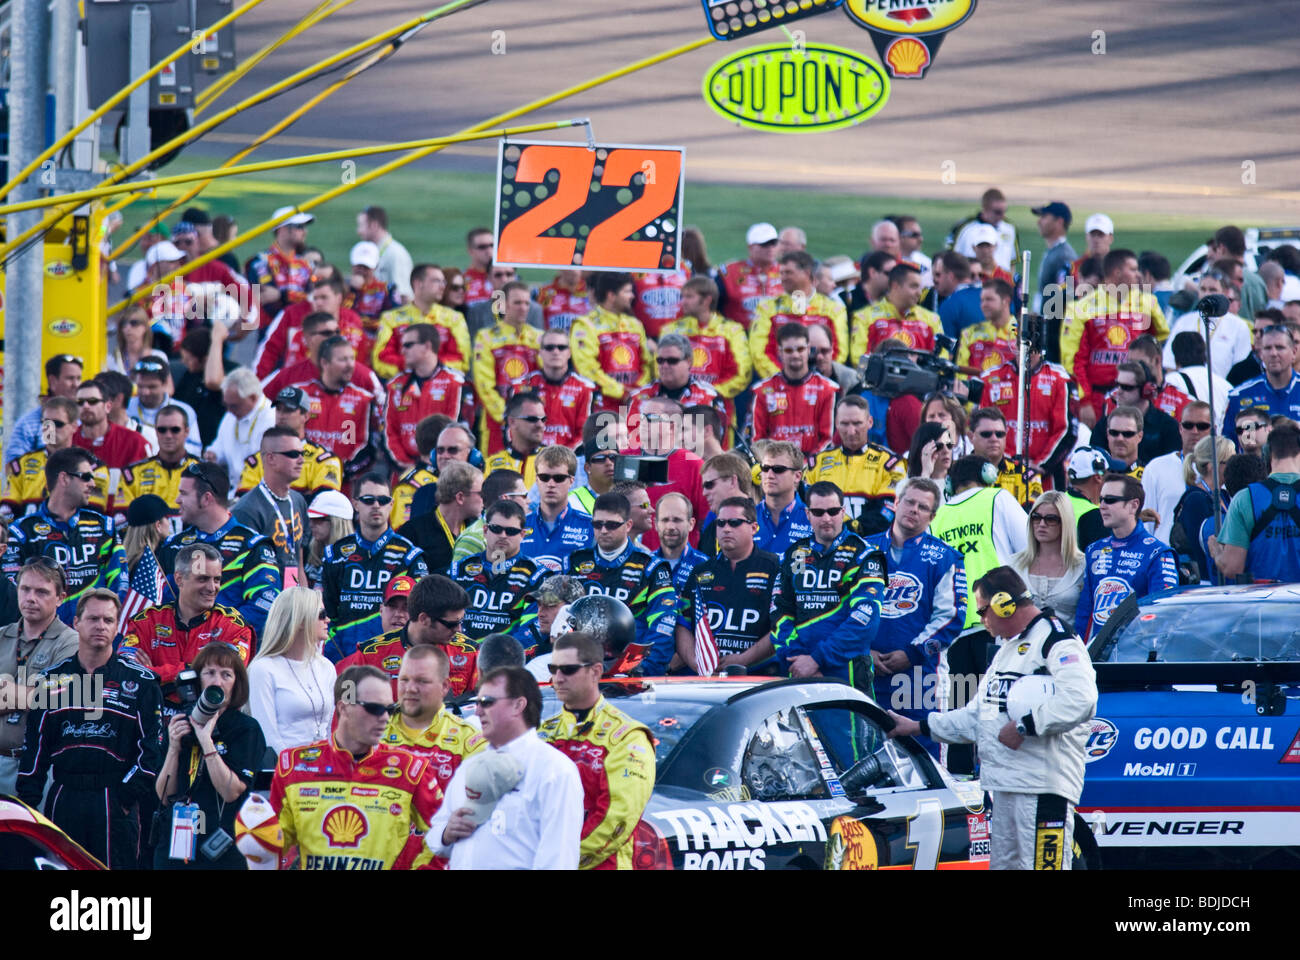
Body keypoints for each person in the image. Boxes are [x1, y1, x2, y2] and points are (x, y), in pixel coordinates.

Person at [887, 567, 1097, 870]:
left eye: (983, 611)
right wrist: (918, 726)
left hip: (1041, 791)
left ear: (1004, 604)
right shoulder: (1008, 648)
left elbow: (1082, 699)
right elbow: (978, 717)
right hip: (1005, 787)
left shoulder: (1057, 640)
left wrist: (1026, 726)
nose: (982, 620)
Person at [17, 590, 162, 869]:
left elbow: (152, 751)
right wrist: (28, 803)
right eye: (93, 618)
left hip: (113, 798)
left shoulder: (141, 682)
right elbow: (35, 750)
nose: (101, 626)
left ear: (118, 627)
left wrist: (126, 795)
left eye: (109, 620)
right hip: (64, 796)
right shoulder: (50, 681)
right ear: (76, 623)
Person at [265, 664, 442, 870]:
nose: (385, 718)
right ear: (344, 707)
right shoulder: (294, 765)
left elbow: (443, 837)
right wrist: (256, 834)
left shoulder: (411, 769)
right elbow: (275, 844)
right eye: (374, 708)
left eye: (389, 709)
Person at [426, 666, 583, 869]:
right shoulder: (470, 765)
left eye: (487, 702)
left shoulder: (554, 770)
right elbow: (435, 838)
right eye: (477, 702)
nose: (477, 711)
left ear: (518, 705)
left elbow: (559, 858)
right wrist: (446, 833)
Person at [862, 478, 966, 750]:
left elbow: (952, 618)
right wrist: (863, 651)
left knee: (925, 761)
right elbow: (842, 611)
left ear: (932, 516)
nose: (914, 510)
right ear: (896, 503)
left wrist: (912, 653)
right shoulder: (860, 550)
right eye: (909, 502)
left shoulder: (946, 557)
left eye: (923, 507)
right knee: (864, 758)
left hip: (921, 677)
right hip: (864, 671)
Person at [539, 632, 654, 870]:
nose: (557, 678)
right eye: (553, 669)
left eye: (568, 670)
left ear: (595, 671)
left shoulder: (627, 736)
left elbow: (615, 819)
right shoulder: (543, 732)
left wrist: (559, 862)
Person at [154, 643, 265, 869]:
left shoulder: (245, 728)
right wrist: (174, 747)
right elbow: (164, 795)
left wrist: (206, 741)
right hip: (177, 844)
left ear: (236, 683)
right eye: (210, 673)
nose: (217, 681)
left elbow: (231, 791)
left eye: (226, 674)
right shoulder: (182, 722)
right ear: (198, 681)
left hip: (222, 846)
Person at [771, 481, 885, 692]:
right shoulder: (793, 554)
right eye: (818, 512)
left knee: (847, 726)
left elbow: (865, 620)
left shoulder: (864, 554)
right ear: (807, 514)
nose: (826, 518)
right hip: (797, 667)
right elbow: (778, 612)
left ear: (843, 512)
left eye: (833, 511)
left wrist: (816, 660)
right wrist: (798, 660)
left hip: (847, 671)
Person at [3, 447, 127, 624]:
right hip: (42, 635)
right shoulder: (21, 531)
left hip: (92, 633)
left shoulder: (104, 527)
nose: (93, 483)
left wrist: (100, 620)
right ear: (64, 478)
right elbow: (13, 586)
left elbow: (119, 580)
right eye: (86, 477)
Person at [158, 462, 281, 637]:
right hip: (174, 650)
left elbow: (264, 604)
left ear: (206, 498)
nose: (177, 500)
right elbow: (159, 601)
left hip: (227, 655)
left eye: (183, 493)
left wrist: (212, 633)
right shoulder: (173, 545)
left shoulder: (252, 546)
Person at [565, 492, 677, 675]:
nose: (603, 530)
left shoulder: (651, 568)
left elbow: (663, 626)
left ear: (628, 525)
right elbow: (560, 615)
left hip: (630, 669)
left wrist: (640, 670)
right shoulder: (576, 562)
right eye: (597, 524)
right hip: (581, 665)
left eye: (611, 525)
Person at [121, 542, 254, 697]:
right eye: (203, 579)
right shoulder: (146, 622)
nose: (212, 588)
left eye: (217, 580)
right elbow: (126, 674)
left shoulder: (234, 626)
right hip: (152, 715)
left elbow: (229, 676)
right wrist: (198, 671)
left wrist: (154, 673)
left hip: (211, 717)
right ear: (179, 579)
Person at [322, 474, 430, 660]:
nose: (376, 505)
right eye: (368, 500)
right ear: (355, 504)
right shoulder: (335, 554)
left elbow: (421, 613)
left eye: (383, 500)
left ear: (391, 504)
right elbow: (328, 611)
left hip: (392, 657)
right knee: (346, 691)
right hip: (343, 655)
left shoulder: (409, 555)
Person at [1061, 248, 1169, 425]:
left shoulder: (1147, 303)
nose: (1138, 275)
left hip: (1139, 396)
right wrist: (1084, 400)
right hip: (1097, 399)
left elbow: (1158, 345)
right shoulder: (1082, 307)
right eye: (1133, 269)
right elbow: (1073, 361)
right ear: (1117, 272)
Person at [676, 497, 781, 674]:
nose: (726, 529)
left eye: (734, 523)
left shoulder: (774, 567)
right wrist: (696, 662)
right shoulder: (701, 572)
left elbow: (782, 625)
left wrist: (744, 659)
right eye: (721, 523)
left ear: (754, 528)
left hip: (759, 676)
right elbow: (683, 624)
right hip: (708, 677)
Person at [0, 560, 79, 795]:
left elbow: (59, 699)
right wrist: (32, 694)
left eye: (42, 592)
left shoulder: (71, 642)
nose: (31, 598)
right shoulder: (1, 636)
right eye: (25, 589)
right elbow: (40, 697)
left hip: (40, 769)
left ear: (60, 598)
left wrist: (8, 692)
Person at [1076, 473, 1179, 642]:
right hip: (1098, 655)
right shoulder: (1094, 550)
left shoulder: (1158, 553)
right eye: (1100, 499)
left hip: (1134, 655)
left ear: (1133, 505)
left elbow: (1163, 615)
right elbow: (1085, 612)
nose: (1102, 506)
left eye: (1110, 500)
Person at [340, 574, 478, 697]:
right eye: (451, 624)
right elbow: (346, 705)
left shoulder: (469, 652)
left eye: (460, 622)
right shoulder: (369, 653)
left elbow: (479, 708)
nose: (458, 629)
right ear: (424, 619)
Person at [380, 644, 485, 800]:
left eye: (422, 681)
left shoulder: (469, 741)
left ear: (444, 687)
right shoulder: (374, 732)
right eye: (404, 680)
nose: (410, 688)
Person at [247, 587, 338, 754]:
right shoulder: (262, 669)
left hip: (323, 769)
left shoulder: (327, 667)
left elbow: (329, 728)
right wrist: (296, 769)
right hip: (283, 770)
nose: (328, 620)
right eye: (322, 614)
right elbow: (268, 736)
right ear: (301, 620)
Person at [1209, 420, 1300, 583]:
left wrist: (1216, 550)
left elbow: (1232, 567)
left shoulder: (1244, 498)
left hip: (1262, 604)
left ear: (1267, 454)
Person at [295, 336, 386, 484]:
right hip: (302, 482)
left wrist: (340, 472)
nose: (350, 365)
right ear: (324, 363)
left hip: (345, 486)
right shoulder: (301, 395)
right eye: (343, 360)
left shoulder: (365, 400)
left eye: (352, 358)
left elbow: (371, 450)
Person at [452, 499, 546, 642]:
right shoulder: (458, 570)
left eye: (511, 531)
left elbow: (532, 628)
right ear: (485, 530)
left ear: (522, 535)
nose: (503, 535)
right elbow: (444, 619)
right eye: (496, 528)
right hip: (460, 655)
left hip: (509, 659)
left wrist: (497, 654)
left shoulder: (537, 576)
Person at [3, 396, 111, 520]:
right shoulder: (22, 465)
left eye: (58, 424)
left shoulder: (93, 468)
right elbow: (7, 511)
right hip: (29, 536)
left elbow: (91, 516)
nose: (50, 429)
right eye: (46, 423)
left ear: (74, 426)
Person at [810, 395, 906, 534]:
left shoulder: (890, 463)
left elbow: (889, 509)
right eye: (844, 424)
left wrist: (853, 529)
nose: (851, 431)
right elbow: (805, 507)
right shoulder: (817, 463)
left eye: (857, 423)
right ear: (836, 424)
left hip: (871, 543)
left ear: (870, 422)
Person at [749, 251, 849, 381]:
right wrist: (785, 378)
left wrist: (818, 379)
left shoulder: (833, 309)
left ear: (807, 273)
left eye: (789, 273)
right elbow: (760, 352)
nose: (783, 277)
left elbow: (838, 351)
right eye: (781, 273)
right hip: (779, 385)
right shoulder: (768, 308)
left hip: (822, 384)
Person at [385, 324, 473, 469]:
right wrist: (406, 464)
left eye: (408, 345)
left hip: (444, 469)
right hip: (403, 470)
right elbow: (389, 432)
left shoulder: (455, 382)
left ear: (426, 346)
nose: (402, 351)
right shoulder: (395, 385)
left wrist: (433, 461)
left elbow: (457, 429)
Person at [659, 276, 751, 410]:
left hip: (717, 408)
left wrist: (706, 394)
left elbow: (741, 374)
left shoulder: (732, 330)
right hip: (677, 406)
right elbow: (660, 370)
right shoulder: (671, 330)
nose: (683, 302)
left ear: (707, 300)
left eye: (689, 297)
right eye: (682, 297)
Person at [236, 386, 342, 503]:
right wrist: (304, 496)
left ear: (306, 416)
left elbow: (325, 502)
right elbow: (245, 503)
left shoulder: (323, 460)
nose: (281, 415)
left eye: (288, 410)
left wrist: (269, 499)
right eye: (278, 409)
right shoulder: (257, 461)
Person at [474, 280, 543, 455]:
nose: (523, 308)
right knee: (495, 472)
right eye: (517, 302)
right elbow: (484, 385)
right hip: (496, 421)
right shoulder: (486, 337)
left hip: (533, 421)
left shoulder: (539, 338)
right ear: (503, 305)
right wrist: (508, 417)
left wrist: (530, 417)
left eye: (527, 303)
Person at [750, 323, 837, 459]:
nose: (795, 355)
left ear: (809, 350)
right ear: (780, 352)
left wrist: (806, 466)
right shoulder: (763, 391)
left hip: (813, 467)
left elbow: (828, 439)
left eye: (800, 349)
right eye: (789, 350)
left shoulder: (827, 389)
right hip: (775, 466)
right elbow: (757, 440)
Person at [231, 426, 309, 577]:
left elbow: (299, 563)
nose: (301, 460)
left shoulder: (298, 501)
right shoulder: (246, 510)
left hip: (293, 595)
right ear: (271, 458)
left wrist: (304, 597)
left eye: (302, 453)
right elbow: (241, 570)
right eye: (293, 454)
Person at [372, 264, 472, 378]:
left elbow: (462, 360)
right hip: (403, 387)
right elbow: (381, 360)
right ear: (418, 283)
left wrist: (429, 368)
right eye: (436, 281)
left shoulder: (454, 318)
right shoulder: (391, 319)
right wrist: (412, 368)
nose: (443, 286)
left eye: (443, 282)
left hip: (442, 387)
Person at [571, 271, 652, 413]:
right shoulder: (585, 325)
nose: (632, 296)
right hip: (602, 406)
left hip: (635, 403)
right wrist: (620, 391)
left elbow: (647, 363)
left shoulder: (635, 324)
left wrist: (638, 389)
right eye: (627, 291)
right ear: (611, 295)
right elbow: (587, 368)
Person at [510, 327, 597, 450]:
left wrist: (563, 455)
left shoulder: (585, 388)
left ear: (569, 352)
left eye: (561, 347)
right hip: (530, 455)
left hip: (570, 457)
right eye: (549, 347)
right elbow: (512, 428)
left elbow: (585, 433)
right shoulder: (522, 386)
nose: (555, 352)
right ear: (540, 352)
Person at [1140, 399, 1213, 543]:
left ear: (1214, 429)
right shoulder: (1156, 468)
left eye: (1202, 426)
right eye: (1188, 425)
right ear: (1180, 428)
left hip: (1208, 557)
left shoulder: (1222, 469)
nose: (1194, 431)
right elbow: (1146, 522)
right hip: (1166, 555)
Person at [1010, 492, 1087, 624]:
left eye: (1050, 519)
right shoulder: (1014, 564)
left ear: (1065, 522)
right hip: (1023, 643)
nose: (1041, 524)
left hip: (1068, 643)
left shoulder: (1083, 566)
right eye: (1036, 517)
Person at [1162, 268, 1252, 379]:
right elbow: (1169, 363)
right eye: (1203, 289)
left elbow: (1241, 367)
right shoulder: (1184, 322)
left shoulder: (1238, 326)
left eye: (1212, 290)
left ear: (1225, 293)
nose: (1207, 294)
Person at [518, 446, 594, 572]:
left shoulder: (591, 526)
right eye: (544, 477)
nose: (551, 484)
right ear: (537, 480)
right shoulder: (518, 526)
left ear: (571, 481)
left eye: (558, 478)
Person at [397, 460, 482, 573]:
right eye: (481, 493)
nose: (484, 499)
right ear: (460, 497)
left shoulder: (481, 530)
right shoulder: (412, 533)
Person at [1169, 435, 1234, 583]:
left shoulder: (1224, 495)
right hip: (1204, 581)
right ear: (1212, 466)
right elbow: (1199, 547)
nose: (1234, 466)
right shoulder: (1196, 500)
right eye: (1229, 462)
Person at [118, 405, 200, 520]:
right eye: (162, 430)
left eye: (175, 430)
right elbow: (122, 519)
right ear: (156, 431)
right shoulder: (132, 474)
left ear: (186, 431)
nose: (168, 436)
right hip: (147, 537)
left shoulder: (202, 471)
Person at [1094, 361, 1183, 466]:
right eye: (1117, 385)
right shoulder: (1104, 425)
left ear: (1146, 391)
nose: (1119, 391)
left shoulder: (1168, 427)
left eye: (1126, 387)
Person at [1223, 326, 1300, 445]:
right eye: (1268, 348)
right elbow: (1228, 446)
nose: (1274, 353)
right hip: (1254, 463)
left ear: (1294, 352)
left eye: (1280, 347)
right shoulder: (1240, 395)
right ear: (1261, 354)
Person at [851, 262, 943, 359]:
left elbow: (940, 360)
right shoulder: (865, 317)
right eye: (914, 286)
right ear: (895, 286)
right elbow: (859, 359)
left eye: (920, 288)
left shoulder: (932, 320)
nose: (919, 293)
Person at [4, 354, 83, 464]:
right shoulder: (29, 424)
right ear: (52, 381)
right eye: (70, 378)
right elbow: (12, 467)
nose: (76, 384)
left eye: (78, 378)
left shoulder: (86, 416)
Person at [207, 367, 277, 490]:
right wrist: (214, 454)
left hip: (257, 488)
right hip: (232, 487)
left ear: (253, 398)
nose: (229, 411)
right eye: (226, 405)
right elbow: (220, 445)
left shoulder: (271, 418)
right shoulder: (232, 413)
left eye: (234, 406)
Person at [967, 407, 1043, 508]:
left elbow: (1032, 516)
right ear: (971, 437)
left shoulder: (1027, 476)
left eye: (999, 434)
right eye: (986, 434)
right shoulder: (958, 473)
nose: (994, 439)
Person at [452, 467, 528, 564]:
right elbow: (460, 577)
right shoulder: (473, 539)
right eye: (524, 496)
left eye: (511, 531)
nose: (529, 501)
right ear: (506, 498)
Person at [127, 358, 202, 455]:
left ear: (165, 383)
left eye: (152, 387)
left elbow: (196, 449)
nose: (145, 392)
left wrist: (161, 447)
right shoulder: (126, 407)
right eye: (140, 386)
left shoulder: (184, 411)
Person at [717, 222, 783, 329]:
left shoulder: (787, 272)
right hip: (739, 336)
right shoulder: (730, 272)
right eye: (764, 244)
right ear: (751, 247)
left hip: (778, 336)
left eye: (773, 243)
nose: (770, 248)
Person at [755, 441, 813, 556]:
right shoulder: (745, 518)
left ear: (797, 476)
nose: (769, 475)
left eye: (778, 469)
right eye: (765, 468)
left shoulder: (814, 519)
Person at [482, 391, 547, 488]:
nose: (540, 425)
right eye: (532, 419)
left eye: (543, 419)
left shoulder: (555, 462)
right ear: (512, 421)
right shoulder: (491, 465)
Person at [950, 187, 1021, 272]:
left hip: (1003, 281)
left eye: (1004, 211)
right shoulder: (966, 229)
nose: (1002, 216)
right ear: (985, 208)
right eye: (997, 212)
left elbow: (1012, 262)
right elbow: (954, 260)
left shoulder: (1010, 228)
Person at [357, 205, 413, 302]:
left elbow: (403, 295)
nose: (359, 231)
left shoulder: (395, 254)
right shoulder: (373, 252)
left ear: (374, 225)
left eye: (361, 226)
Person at [652, 492, 707, 593]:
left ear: (691, 524)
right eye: (665, 520)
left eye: (677, 520)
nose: (670, 527)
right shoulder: (645, 564)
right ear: (656, 524)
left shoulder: (705, 566)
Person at [1032, 201, 1076, 315]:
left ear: (1059, 222)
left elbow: (1065, 298)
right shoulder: (1053, 251)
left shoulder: (1064, 255)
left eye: (1044, 217)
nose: (1039, 221)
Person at [304, 490, 353, 589]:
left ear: (336, 522)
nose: (311, 524)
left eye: (317, 519)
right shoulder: (309, 551)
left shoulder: (352, 559)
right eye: (310, 519)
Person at [106, 305, 169, 377]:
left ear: (145, 327)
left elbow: (167, 387)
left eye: (134, 323)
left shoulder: (159, 356)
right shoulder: (112, 359)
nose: (128, 328)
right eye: (123, 324)